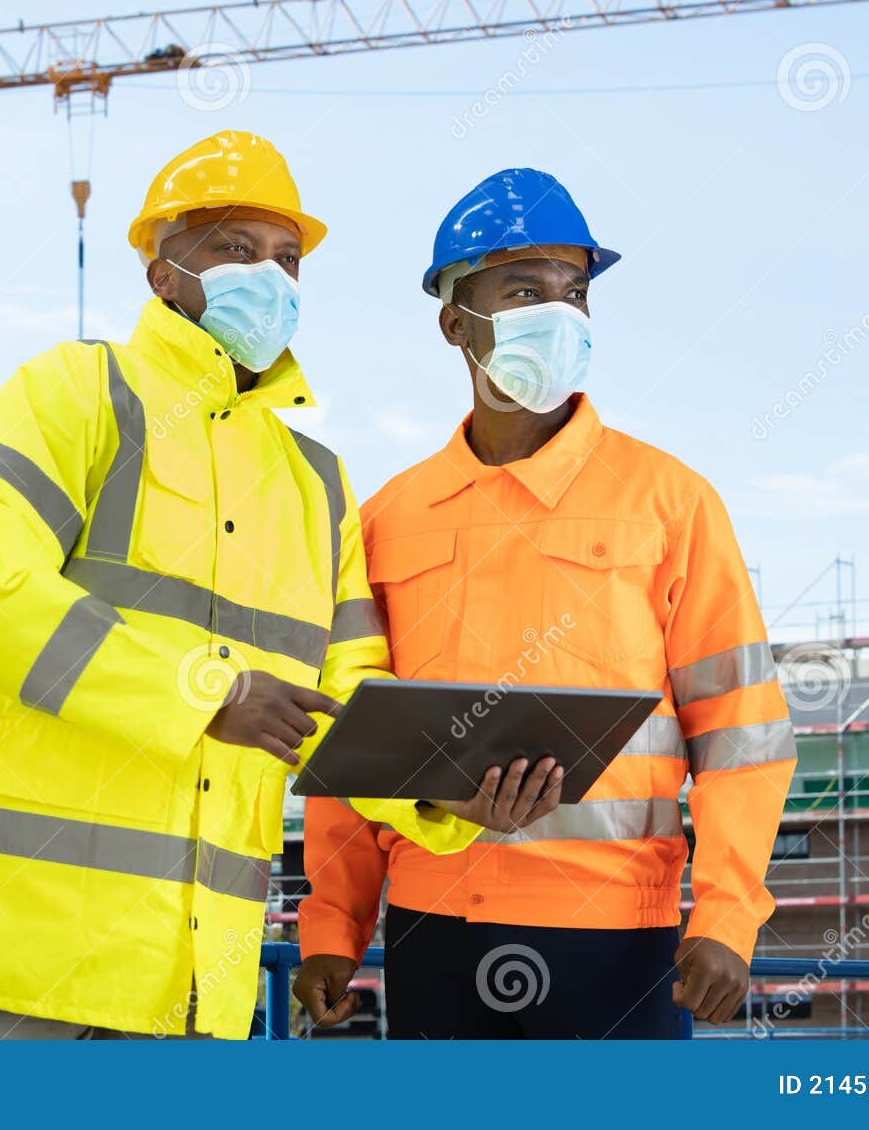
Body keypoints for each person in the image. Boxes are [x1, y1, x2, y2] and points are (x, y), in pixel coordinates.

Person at [0, 133, 561, 1040]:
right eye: (235, 249)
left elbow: (352, 705)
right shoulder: (77, 393)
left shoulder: (314, 479)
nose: (271, 277)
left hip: (204, 995)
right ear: (162, 271)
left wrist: (446, 796)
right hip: (24, 977)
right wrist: (202, 694)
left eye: (287, 259)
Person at [294, 168, 796, 1039]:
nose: (559, 314)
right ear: (456, 322)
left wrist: (725, 917)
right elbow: (356, 741)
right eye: (525, 290)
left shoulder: (670, 503)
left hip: (618, 938)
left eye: (575, 292)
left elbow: (742, 729)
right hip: (432, 933)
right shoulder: (383, 520)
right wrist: (333, 925)